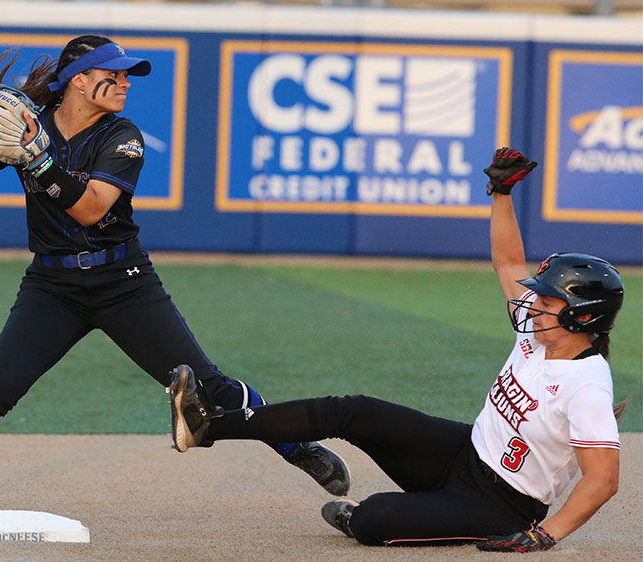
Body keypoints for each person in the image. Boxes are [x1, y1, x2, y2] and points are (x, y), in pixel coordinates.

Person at [0, 34, 350, 524]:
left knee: (210, 390)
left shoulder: (123, 136)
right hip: (52, 287)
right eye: (111, 75)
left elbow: (92, 209)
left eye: (125, 76)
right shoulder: (29, 127)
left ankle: (295, 447)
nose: (123, 84)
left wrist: (37, 157)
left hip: (124, 281)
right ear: (78, 80)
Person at [167, 147, 625, 552]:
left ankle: (379, 516)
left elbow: (602, 480)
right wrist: (501, 194)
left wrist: (545, 535)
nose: (533, 304)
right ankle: (209, 426)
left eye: (548, 301)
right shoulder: (539, 335)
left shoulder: (586, 384)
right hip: (463, 451)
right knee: (353, 411)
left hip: (502, 504)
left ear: (583, 316)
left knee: (372, 519)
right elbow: (508, 262)